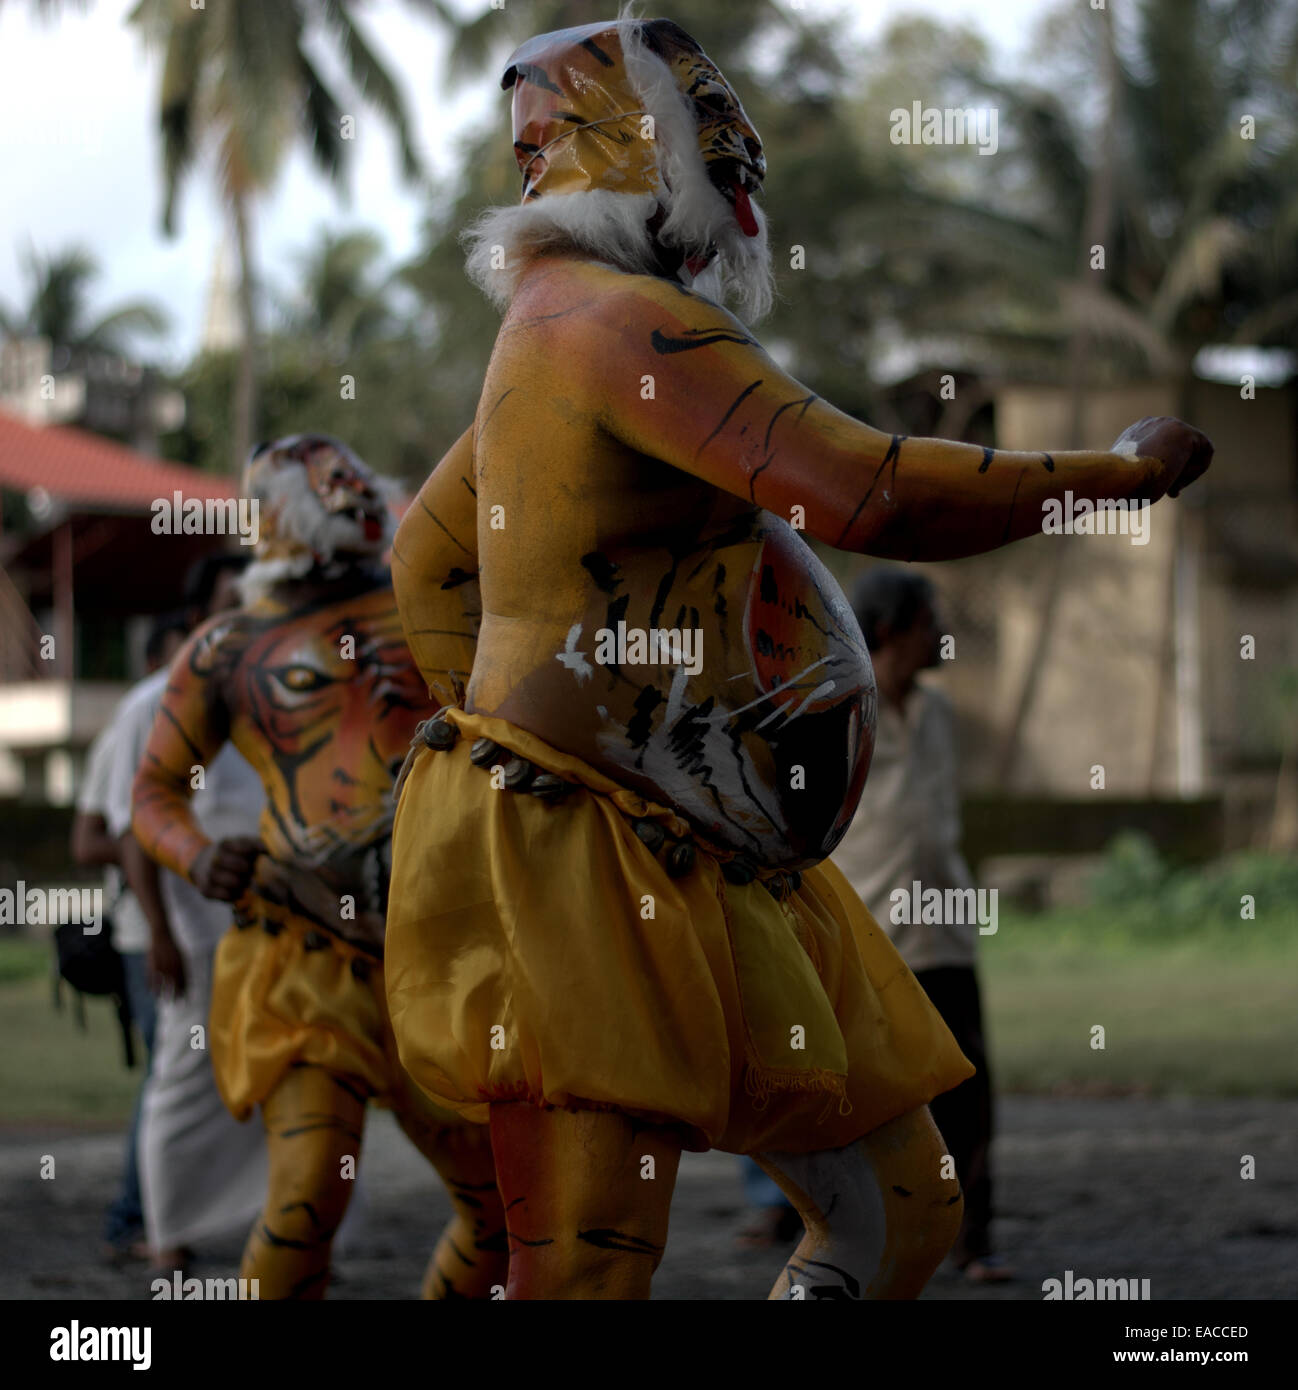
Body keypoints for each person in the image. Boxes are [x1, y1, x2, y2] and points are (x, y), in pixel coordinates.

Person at [384, 14, 1213, 1299]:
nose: (739, 161)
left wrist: (553, 732)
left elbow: (425, 564)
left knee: (902, 1205)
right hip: (570, 857)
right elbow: (871, 493)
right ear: (633, 149)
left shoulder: (551, 330)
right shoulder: (615, 329)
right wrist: (1116, 475)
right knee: (587, 1257)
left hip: (689, 846)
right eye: (707, 126)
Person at [131, 435, 506, 1300]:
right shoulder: (224, 651)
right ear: (273, 514)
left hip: (443, 955)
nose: (350, 488)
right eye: (324, 480)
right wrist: (195, 856)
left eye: (352, 471)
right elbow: (151, 791)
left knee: (503, 1208)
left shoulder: (435, 601)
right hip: (304, 958)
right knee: (308, 1199)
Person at [832, 567, 1010, 1283]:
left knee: (968, 1090)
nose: (942, 633)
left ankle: (975, 1240)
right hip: (872, 938)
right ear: (890, 630)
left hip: (946, 932)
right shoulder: (838, 713)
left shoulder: (938, 714)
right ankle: (854, 1238)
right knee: (863, 1100)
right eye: (930, 620)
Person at [110, 557, 269, 1272]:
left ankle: (268, 1237)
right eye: (235, 601)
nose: (251, 614)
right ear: (200, 612)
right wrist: (164, 935)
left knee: (278, 1080)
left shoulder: (279, 690)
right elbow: (133, 824)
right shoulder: (156, 701)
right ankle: (163, 1236)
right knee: (182, 1079)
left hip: (279, 929)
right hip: (193, 931)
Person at [72, 612, 187, 1263]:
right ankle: (135, 1219)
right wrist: (175, 851)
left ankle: (162, 1215)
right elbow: (98, 838)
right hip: (151, 929)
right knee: (169, 1076)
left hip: (179, 923)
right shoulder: (140, 718)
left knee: (177, 1075)